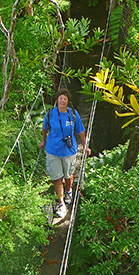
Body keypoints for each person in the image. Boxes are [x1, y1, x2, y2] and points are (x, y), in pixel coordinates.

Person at [39, 88, 91, 219]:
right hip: (53, 151)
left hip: (69, 151)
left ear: (68, 101)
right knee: (56, 177)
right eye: (60, 98)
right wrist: (43, 141)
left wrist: (85, 146)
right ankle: (61, 203)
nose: (62, 100)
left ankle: (69, 190)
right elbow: (44, 129)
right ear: (57, 100)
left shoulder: (73, 115)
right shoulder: (50, 114)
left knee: (68, 176)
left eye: (65, 98)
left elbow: (80, 131)